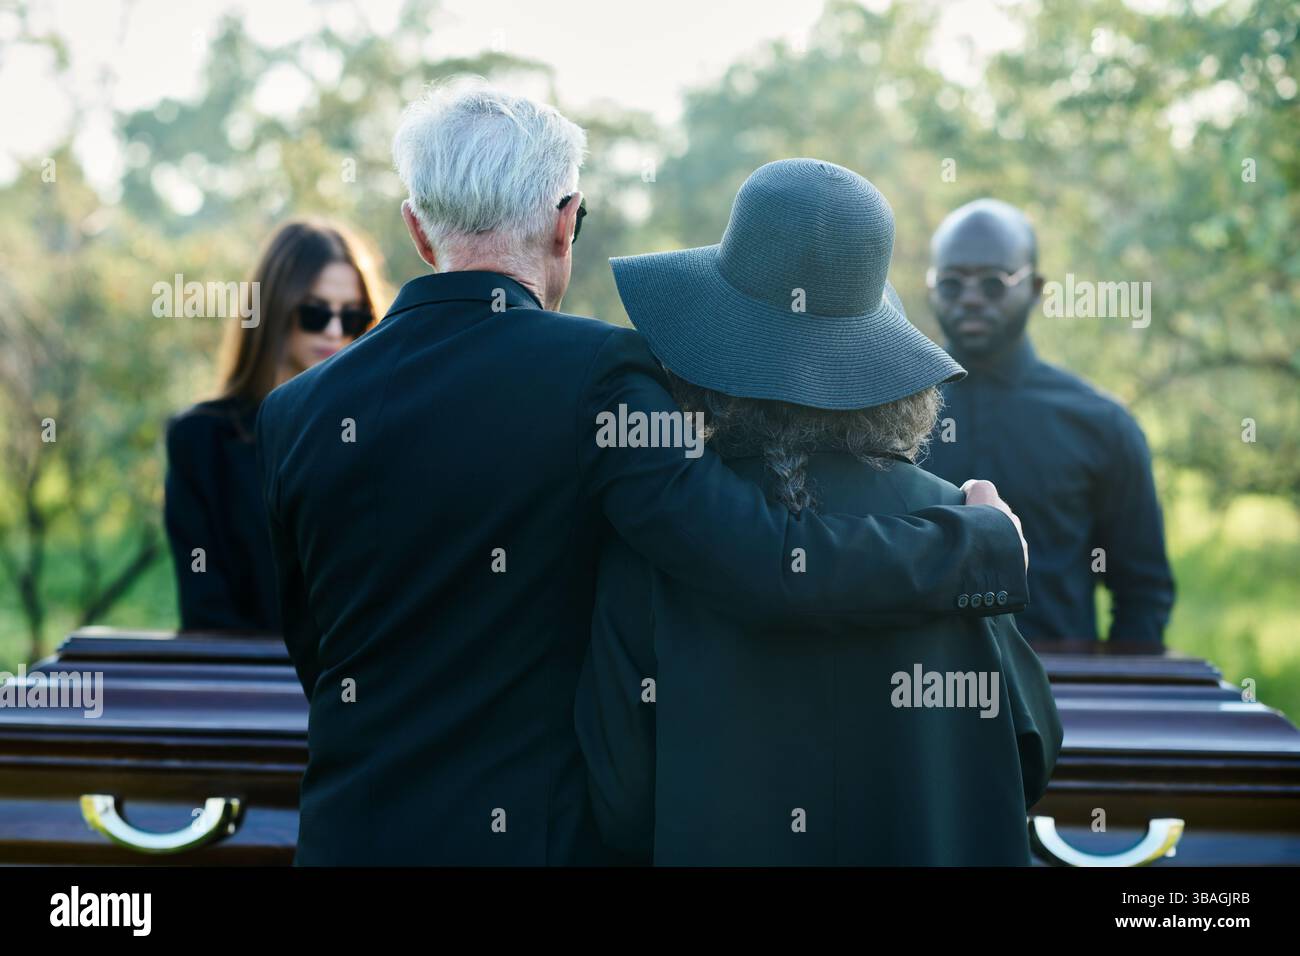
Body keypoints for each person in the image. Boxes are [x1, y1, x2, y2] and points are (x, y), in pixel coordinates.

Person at [255, 82, 1031, 866]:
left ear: (418, 230)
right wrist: (976, 548)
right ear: (567, 221)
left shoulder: (293, 414)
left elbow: (317, 654)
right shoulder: (599, 376)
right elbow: (763, 558)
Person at [575, 159, 1062, 866]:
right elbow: (1028, 753)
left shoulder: (662, 536)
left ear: (703, 347)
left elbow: (619, 797)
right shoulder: (957, 525)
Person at [921, 199, 1174, 644]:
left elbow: (1143, 592)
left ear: (1036, 288)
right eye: (951, 283)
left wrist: (1106, 697)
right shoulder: (882, 421)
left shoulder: (1102, 425)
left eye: (994, 284)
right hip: (914, 693)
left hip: (1058, 696)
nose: (972, 298)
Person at [164, 219, 385, 632]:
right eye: (316, 312)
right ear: (275, 310)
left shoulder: (379, 435)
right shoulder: (201, 440)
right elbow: (206, 611)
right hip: (248, 688)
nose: (335, 331)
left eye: (353, 316)